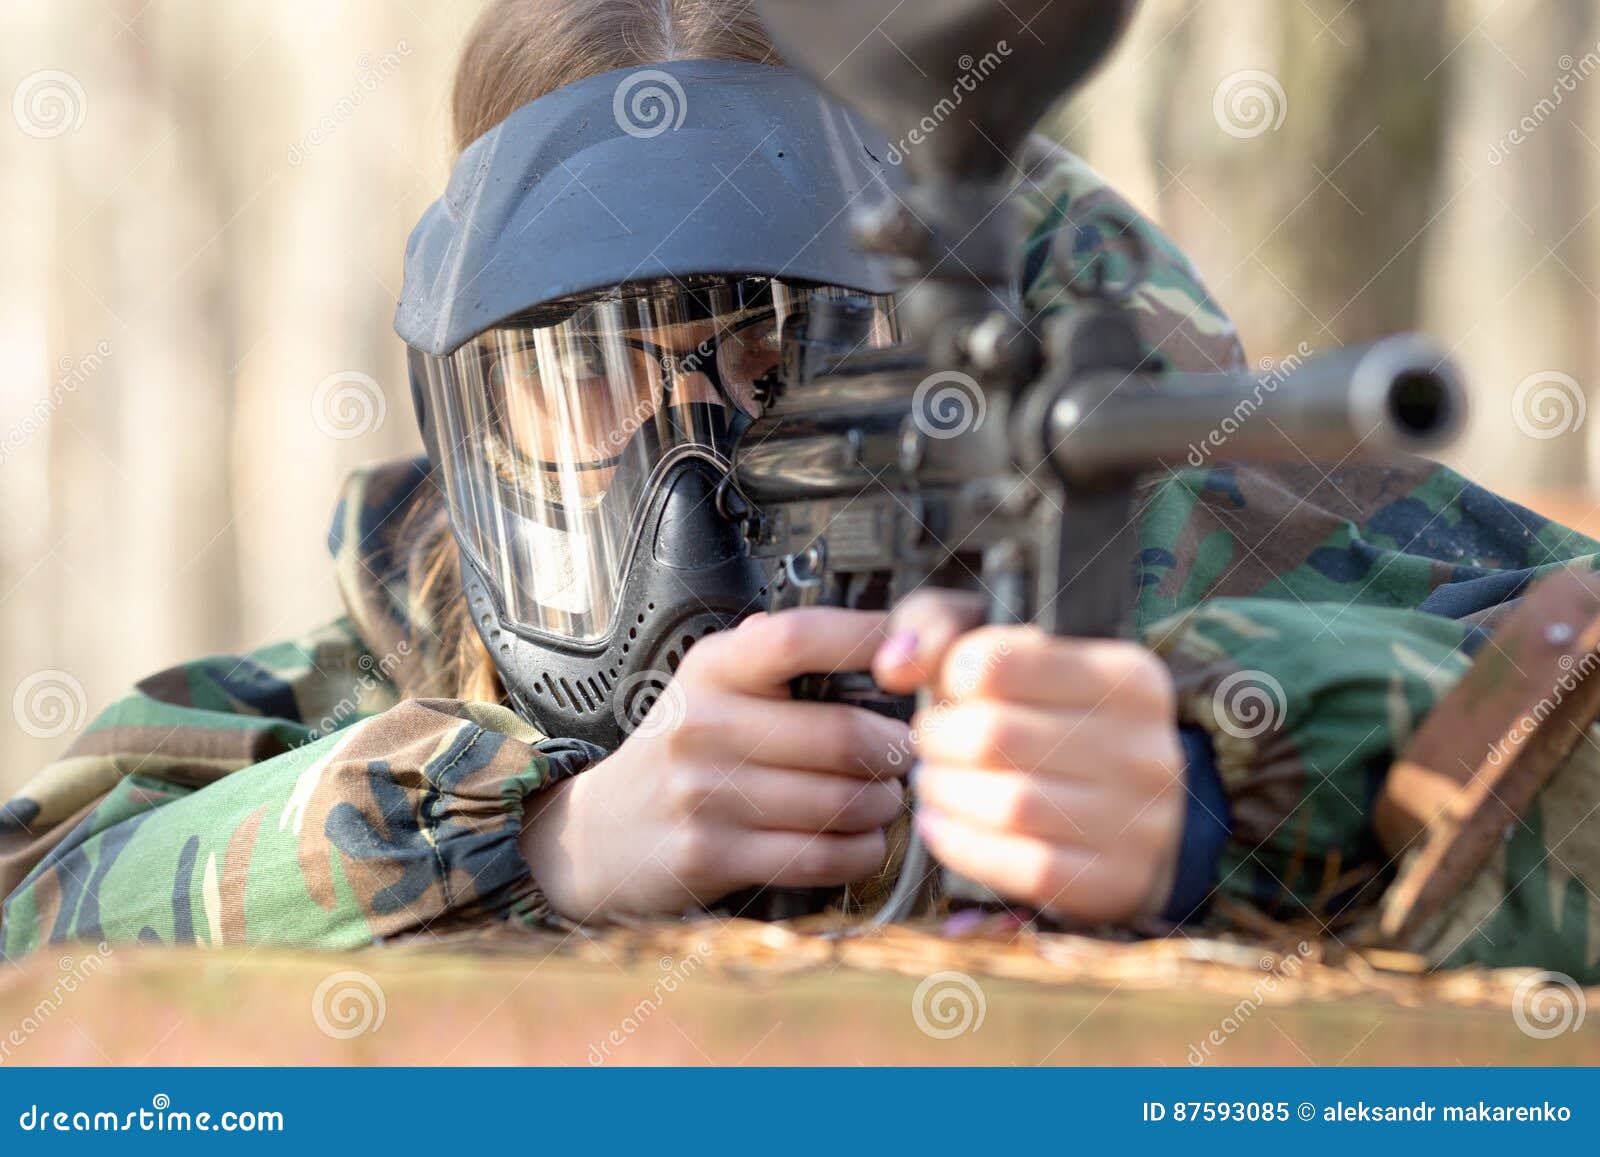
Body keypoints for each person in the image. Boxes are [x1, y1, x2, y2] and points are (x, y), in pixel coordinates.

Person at [4, 0, 1598, 983]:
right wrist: (536, 840)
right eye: (588, 372)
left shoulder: (1200, 527)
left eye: (771, 358)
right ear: (479, 403)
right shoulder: (429, 667)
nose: (681, 479)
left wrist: (1227, 786)